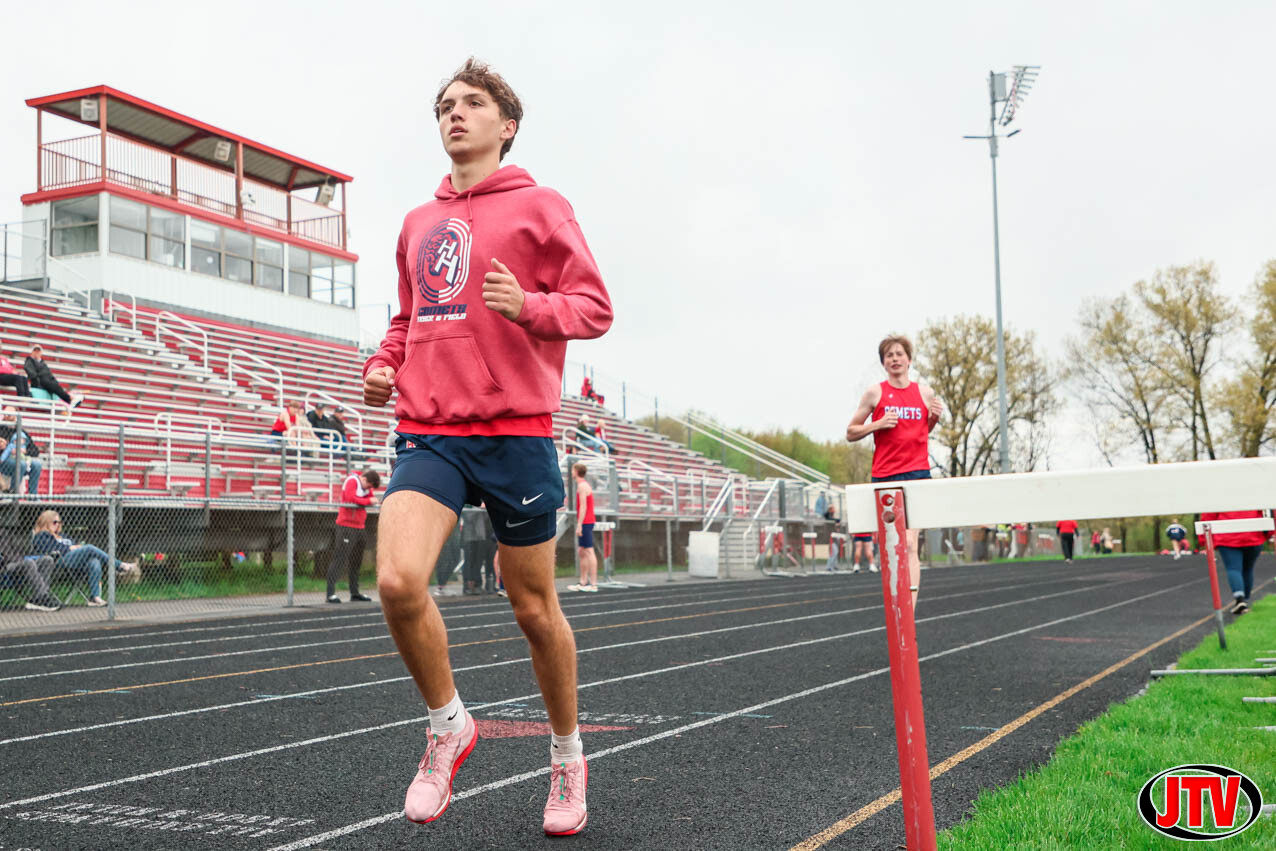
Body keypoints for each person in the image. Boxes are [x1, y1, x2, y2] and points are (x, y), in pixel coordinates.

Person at [362, 58, 612, 837]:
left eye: (471, 102)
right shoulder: (417, 222)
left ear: (507, 125)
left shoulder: (542, 206)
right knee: (397, 579)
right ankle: (448, 727)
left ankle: (566, 755)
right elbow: (408, 317)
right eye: (445, 104)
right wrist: (384, 364)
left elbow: (594, 306)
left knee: (533, 608)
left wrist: (530, 305)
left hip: (515, 433)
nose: (454, 113)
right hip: (432, 430)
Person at [845, 334, 943, 607]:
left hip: (918, 473)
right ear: (884, 363)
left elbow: (921, 432)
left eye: (899, 354)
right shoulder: (875, 393)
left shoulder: (925, 393)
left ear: (909, 360)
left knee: (910, 544)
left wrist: (934, 418)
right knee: (893, 546)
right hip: (886, 475)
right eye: (889, 355)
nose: (895, 359)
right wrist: (877, 424)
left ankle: (909, 610)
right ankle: (895, 605)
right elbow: (851, 432)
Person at [31, 510, 139, 605]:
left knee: (94, 561)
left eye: (59, 522)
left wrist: (77, 547)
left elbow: (73, 545)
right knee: (89, 548)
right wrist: (69, 548)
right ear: (46, 522)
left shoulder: (63, 536)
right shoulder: (42, 535)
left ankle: (95, 597)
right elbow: (48, 549)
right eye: (55, 522)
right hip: (59, 561)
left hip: (74, 562)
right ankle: (120, 565)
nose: (58, 524)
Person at [1199, 510, 1269, 614]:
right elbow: (1267, 512)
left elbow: (1208, 516)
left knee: (1233, 568)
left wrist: (1204, 539)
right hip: (1253, 536)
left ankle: (1240, 600)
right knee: (1248, 569)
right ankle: (1245, 600)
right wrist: (1270, 532)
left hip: (1227, 538)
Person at [327, 469, 380, 603]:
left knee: (356, 561)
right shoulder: (352, 481)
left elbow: (370, 498)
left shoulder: (366, 487)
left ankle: (354, 592)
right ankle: (330, 593)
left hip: (360, 527)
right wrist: (368, 501)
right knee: (339, 559)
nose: (369, 489)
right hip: (346, 526)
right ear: (364, 479)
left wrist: (368, 499)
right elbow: (350, 499)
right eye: (368, 486)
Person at [0, 528, 60, 612]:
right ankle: (43, 597)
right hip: (5, 566)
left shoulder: (14, 532)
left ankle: (38, 599)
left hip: (21, 562)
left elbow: (28, 551)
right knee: (28, 563)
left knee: (47, 560)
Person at [568, 463, 598, 592]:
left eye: (572, 470)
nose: (571, 472)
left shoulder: (582, 486)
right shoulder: (583, 485)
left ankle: (593, 584)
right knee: (582, 551)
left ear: (576, 471)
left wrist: (579, 524)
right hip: (587, 521)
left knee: (589, 551)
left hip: (586, 522)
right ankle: (583, 582)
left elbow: (583, 507)